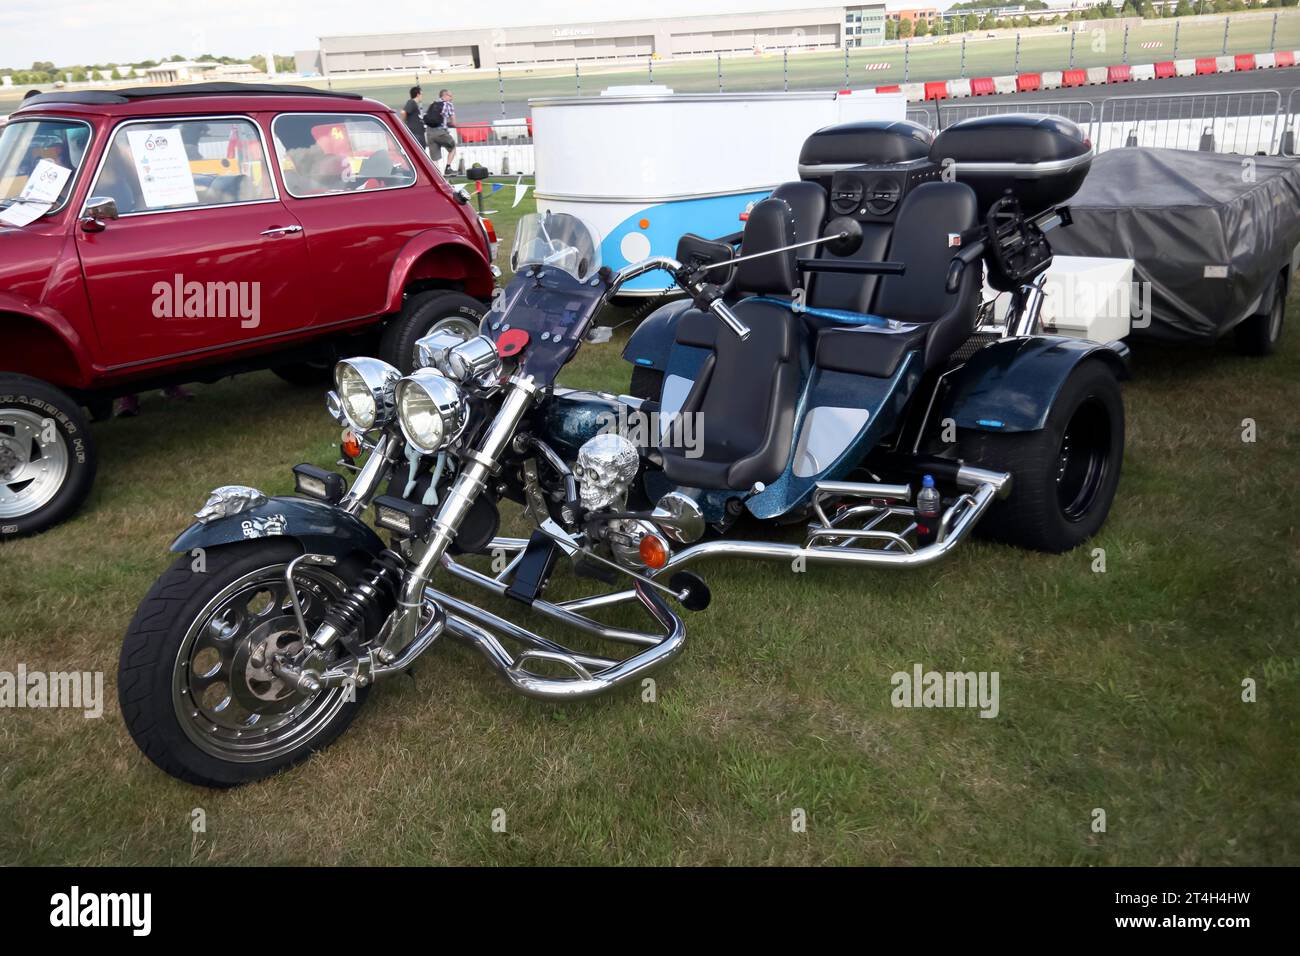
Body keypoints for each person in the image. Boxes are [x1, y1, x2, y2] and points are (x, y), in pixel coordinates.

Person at [424, 88, 457, 176]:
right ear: (444, 96)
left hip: (429, 132)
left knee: (435, 157)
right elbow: (454, 122)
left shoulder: (432, 103)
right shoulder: (448, 104)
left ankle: (437, 175)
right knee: (453, 147)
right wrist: (449, 124)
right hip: (440, 132)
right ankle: (448, 168)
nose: (452, 98)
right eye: (450, 96)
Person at [401, 86, 427, 153]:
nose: (422, 96)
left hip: (419, 133)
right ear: (418, 94)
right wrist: (403, 124)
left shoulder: (415, 104)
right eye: (421, 94)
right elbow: (403, 112)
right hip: (415, 133)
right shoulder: (411, 102)